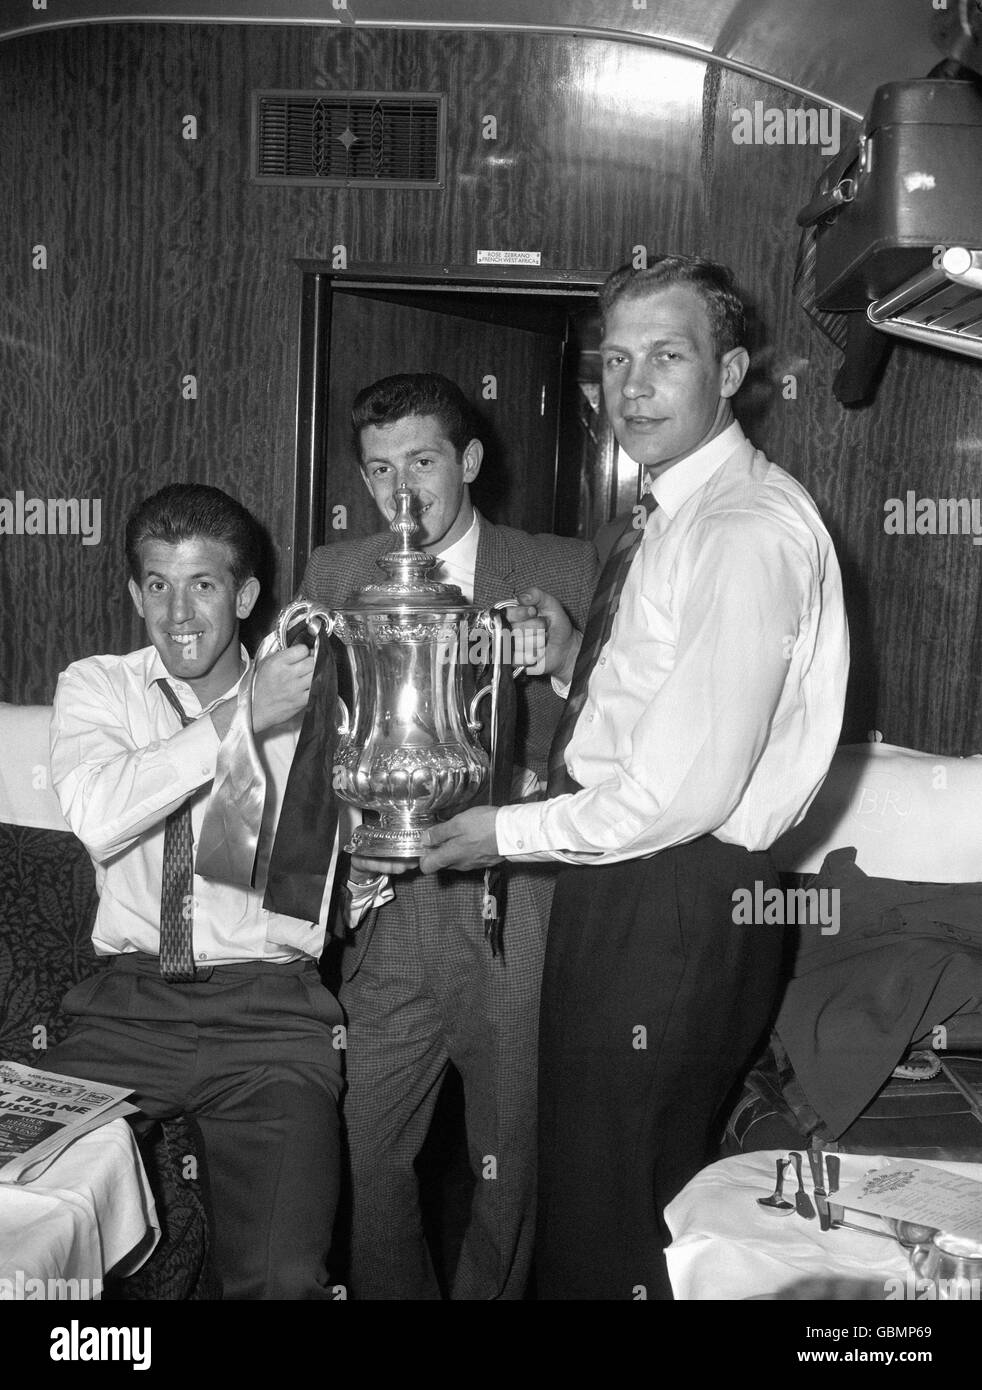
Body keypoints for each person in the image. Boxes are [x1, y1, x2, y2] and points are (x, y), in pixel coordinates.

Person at [421, 257, 851, 1299]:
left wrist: (501, 834)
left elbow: (683, 790)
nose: (633, 386)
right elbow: (667, 711)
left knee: (612, 1213)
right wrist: (575, 658)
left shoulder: (743, 531)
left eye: (668, 356)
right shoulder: (672, 513)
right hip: (630, 882)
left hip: (673, 889)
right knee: (601, 1188)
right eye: (615, 360)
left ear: (732, 369)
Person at [300, 372, 598, 1299]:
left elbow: (631, 728)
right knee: (365, 1149)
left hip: (514, 908)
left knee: (506, 1155)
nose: (402, 492)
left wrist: (562, 663)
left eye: (422, 461)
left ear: (467, 461)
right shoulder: (333, 576)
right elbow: (307, 751)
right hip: (386, 908)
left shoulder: (563, 568)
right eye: (380, 467)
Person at [45, 483, 354, 1300]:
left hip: (273, 1017)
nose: (177, 611)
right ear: (134, 591)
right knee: (24, 1219)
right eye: (157, 584)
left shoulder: (320, 701)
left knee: (285, 1278)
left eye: (203, 584)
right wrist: (238, 720)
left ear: (246, 595)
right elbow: (101, 814)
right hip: (123, 1011)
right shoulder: (98, 687)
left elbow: (342, 862)